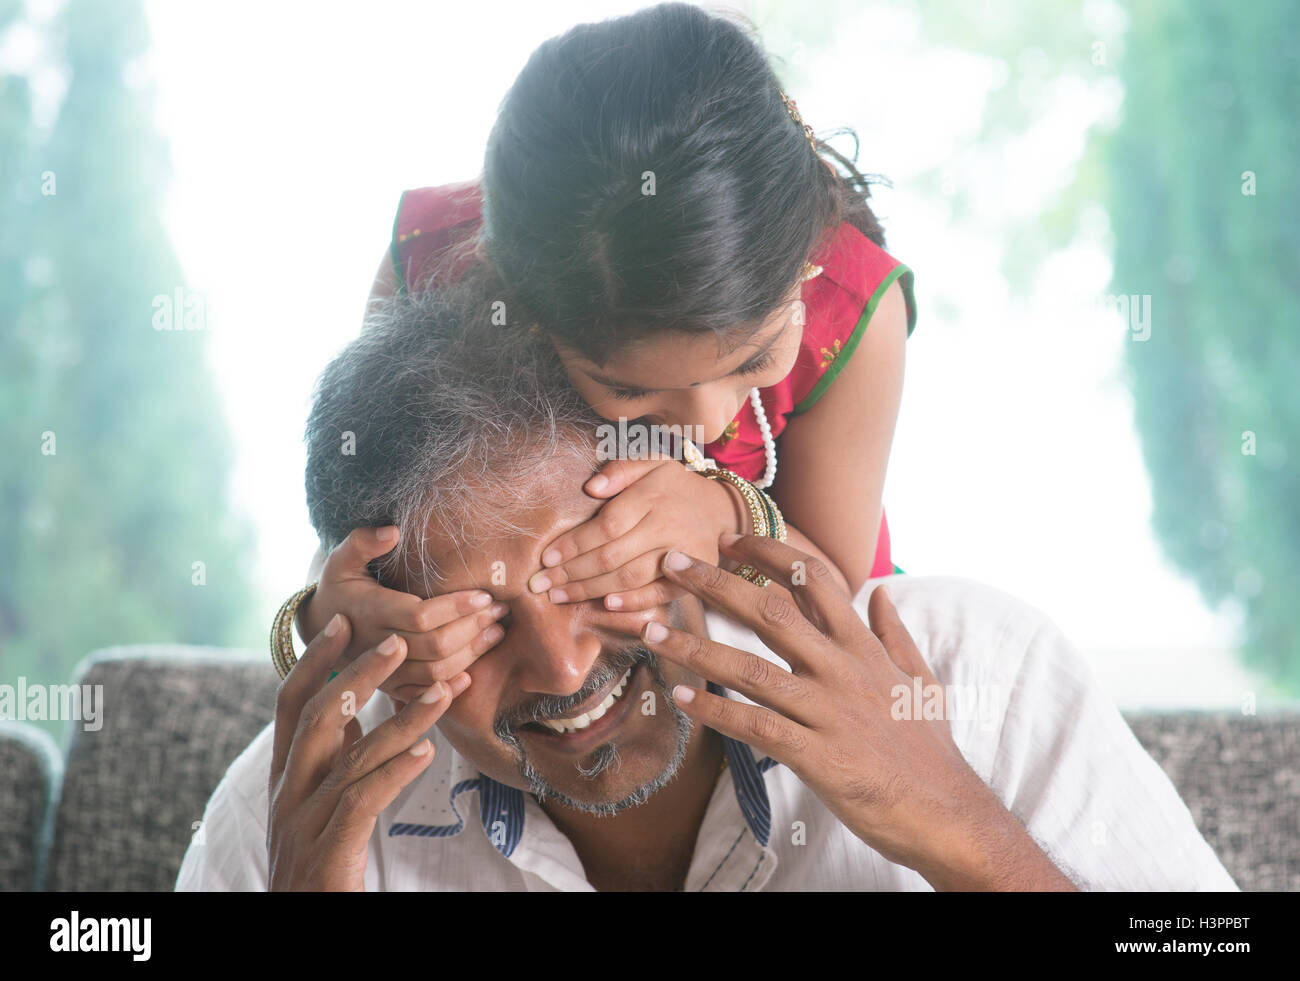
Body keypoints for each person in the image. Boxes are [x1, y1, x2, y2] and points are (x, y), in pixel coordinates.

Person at [175, 284, 1236, 891]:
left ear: (680, 488)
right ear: (385, 633)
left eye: (590, 569)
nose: (562, 664)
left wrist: (955, 823)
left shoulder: (974, 672)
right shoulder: (302, 811)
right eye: (479, 621)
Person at [290, 3, 919, 704]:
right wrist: (329, 615)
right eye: (628, 388)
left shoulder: (853, 307)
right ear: (525, 310)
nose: (706, 424)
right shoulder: (435, 266)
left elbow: (836, 590)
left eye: (753, 358)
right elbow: (367, 532)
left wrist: (728, 517)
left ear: (802, 257)